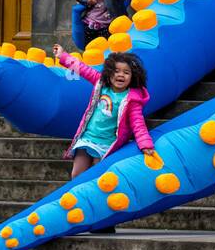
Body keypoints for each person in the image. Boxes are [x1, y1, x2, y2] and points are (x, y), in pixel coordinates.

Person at [53, 44, 154, 177]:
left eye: (126, 72)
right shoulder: (101, 84)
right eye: (116, 71)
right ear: (109, 72)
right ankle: (80, 197)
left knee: (97, 175)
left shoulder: (132, 99)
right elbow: (83, 69)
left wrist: (145, 144)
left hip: (106, 145)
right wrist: (62, 55)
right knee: (76, 174)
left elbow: (138, 123)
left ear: (133, 77)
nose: (120, 75)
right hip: (87, 139)